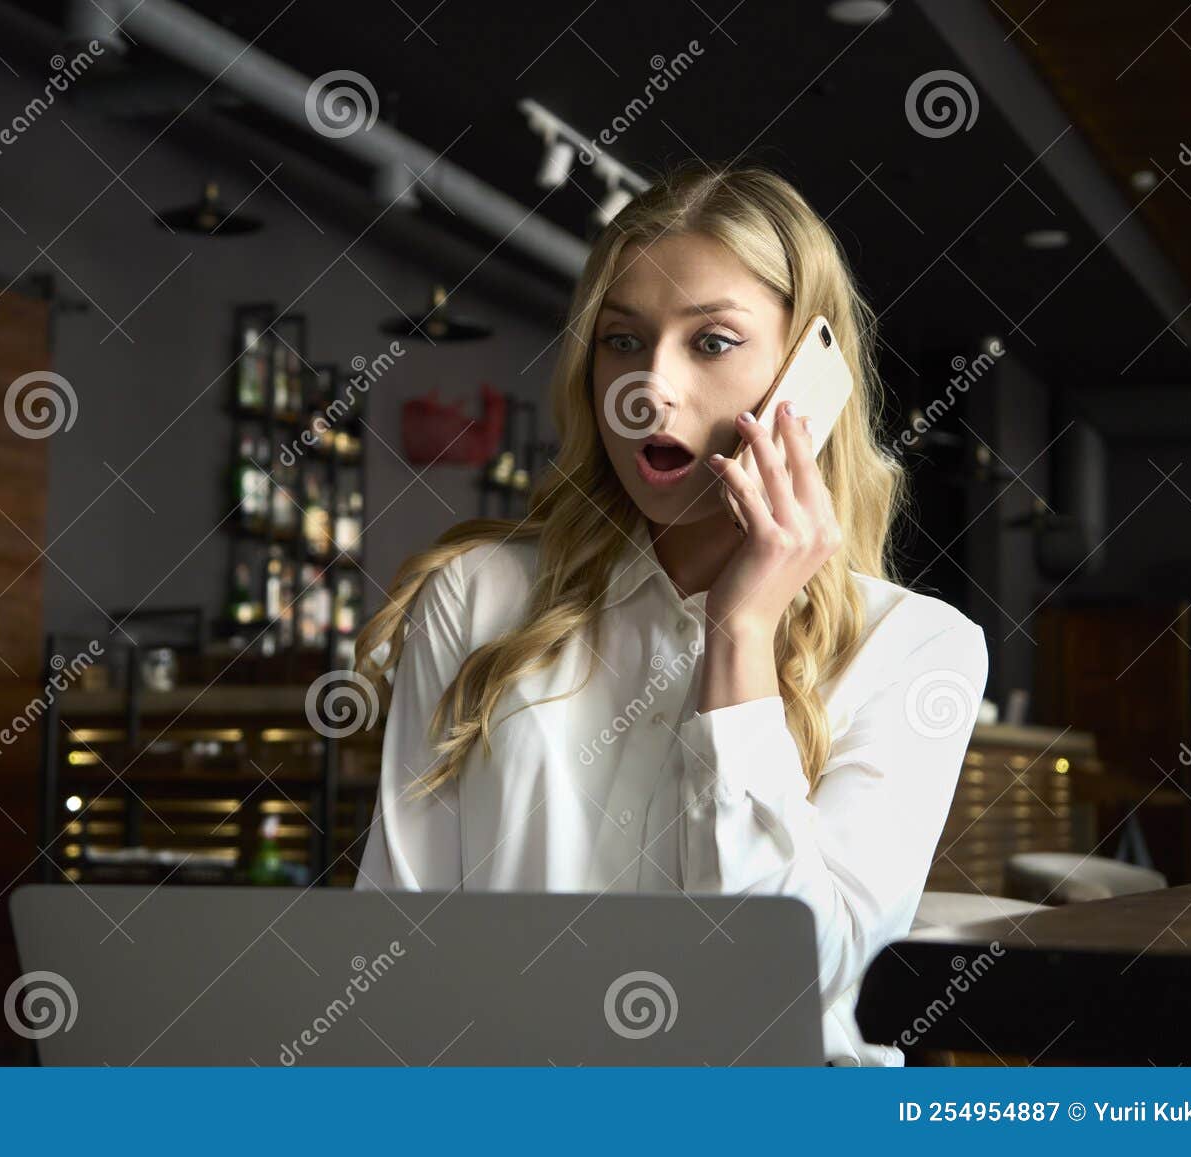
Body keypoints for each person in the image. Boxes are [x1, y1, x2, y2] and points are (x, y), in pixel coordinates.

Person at [349, 162, 988, 1066]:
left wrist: (742, 634)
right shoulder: (477, 596)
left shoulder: (916, 649)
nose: (649, 387)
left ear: (811, 377)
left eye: (712, 342)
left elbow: (787, 985)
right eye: (622, 340)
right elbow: (398, 953)